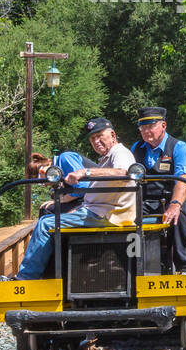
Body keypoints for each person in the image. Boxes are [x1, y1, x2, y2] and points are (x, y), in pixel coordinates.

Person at [14, 118, 137, 280]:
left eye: (100, 136)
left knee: (46, 223)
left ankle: (26, 278)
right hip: (98, 212)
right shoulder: (105, 159)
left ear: (112, 135)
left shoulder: (120, 153)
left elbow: (123, 172)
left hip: (108, 215)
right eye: (93, 139)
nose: (96, 141)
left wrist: (84, 172)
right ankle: (49, 272)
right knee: (49, 217)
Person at [130, 106, 186, 273]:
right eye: (142, 128)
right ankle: (130, 267)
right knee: (123, 217)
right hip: (143, 200)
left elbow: (183, 180)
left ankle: (185, 267)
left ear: (163, 126)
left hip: (169, 198)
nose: (146, 131)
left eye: (150, 126)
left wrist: (174, 204)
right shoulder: (136, 148)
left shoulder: (179, 147)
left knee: (177, 215)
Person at [28, 150, 94, 214]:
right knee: (47, 208)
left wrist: (60, 200)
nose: (45, 185)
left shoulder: (65, 158)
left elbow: (83, 186)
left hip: (96, 201)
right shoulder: (59, 174)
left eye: (41, 183)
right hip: (89, 199)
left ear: (42, 171)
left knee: (46, 210)